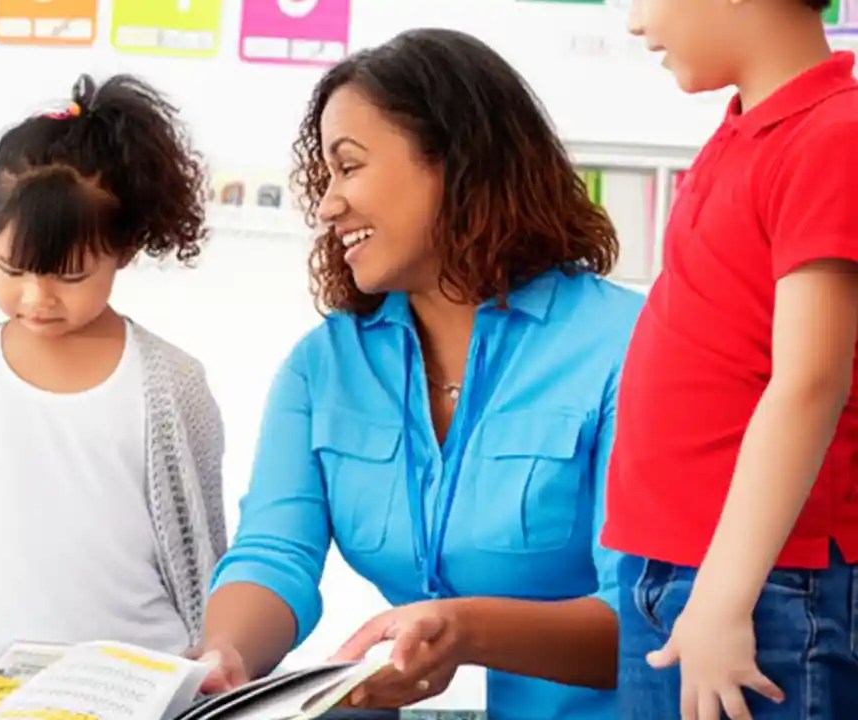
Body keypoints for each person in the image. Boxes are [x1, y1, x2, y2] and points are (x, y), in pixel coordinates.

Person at [195, 28, 644, 720]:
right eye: (327, 175)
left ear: (454, 163)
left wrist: (463, 631)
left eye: (350, 167)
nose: (327, 204)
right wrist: (228, 654)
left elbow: (652, 619)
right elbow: (274, 553)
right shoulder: (324, 367)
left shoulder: (624, 344)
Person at [0, 73, 227, 720]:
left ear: (123, 250)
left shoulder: (171, 383)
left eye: (70, 275)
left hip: (139, 690)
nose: (36, 297)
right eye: (12, 268)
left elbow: (207, 551)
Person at [604, 1, 858, 718]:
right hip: (685, 572)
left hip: (762, 588)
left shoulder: (834, 134)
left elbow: (811, 381)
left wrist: (723, 594)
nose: (633, 22)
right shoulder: (748, 130)